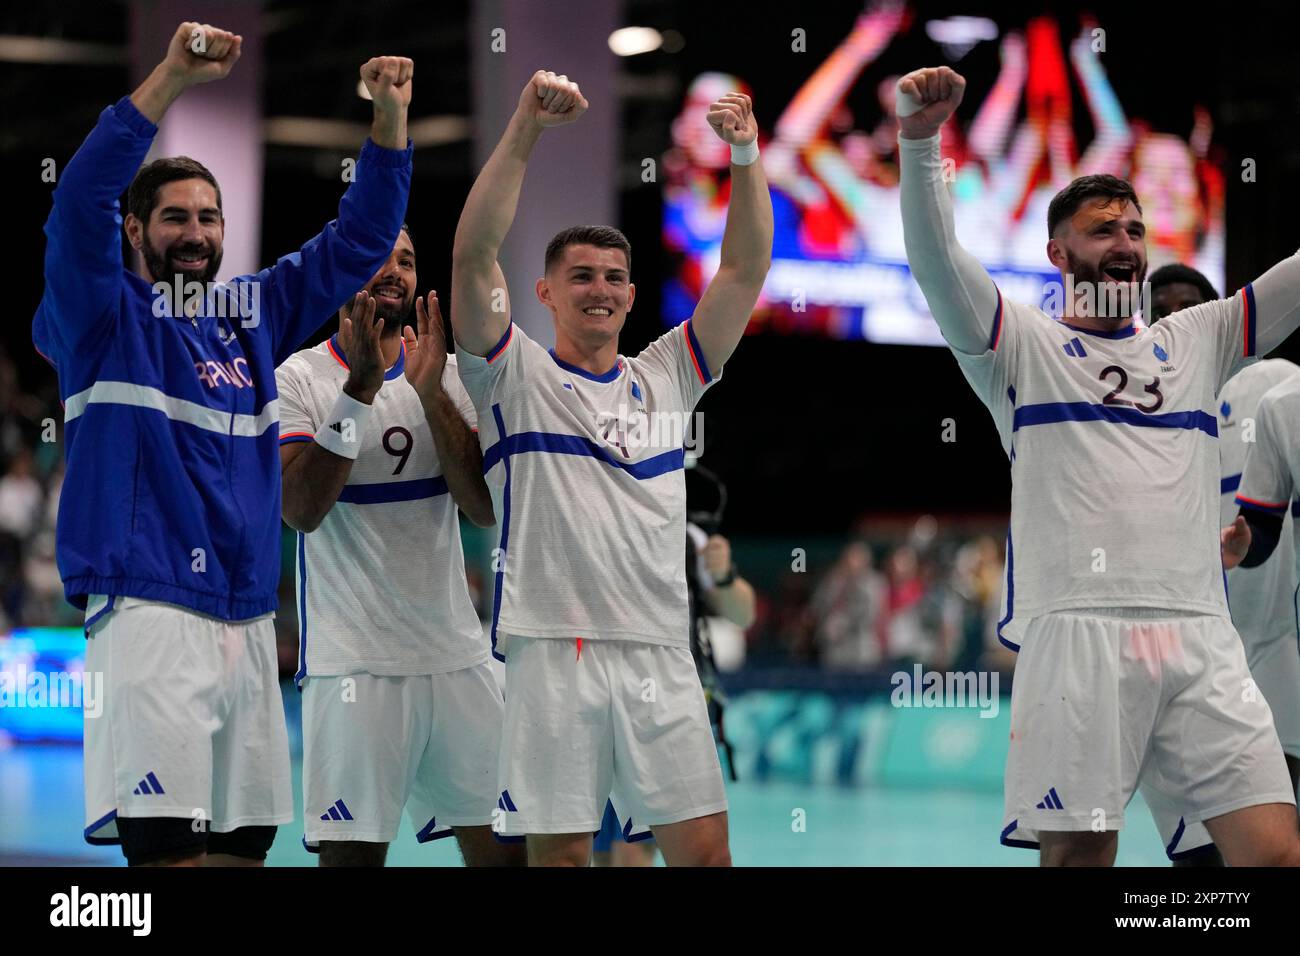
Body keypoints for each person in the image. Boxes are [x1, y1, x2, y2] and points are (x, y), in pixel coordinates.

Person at [897, 64, 1300, 866]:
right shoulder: (1020, 346)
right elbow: (937, 258)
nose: (1124, 246)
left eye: (1134, 231)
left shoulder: (1200, 338)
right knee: (1082, 858)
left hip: (1199, 632)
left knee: (1274, 854)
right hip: (1078, 634)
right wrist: (919, 142)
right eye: (1102, 230)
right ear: (1057, 251)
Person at [33, 21, 413, 866]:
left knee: (244, 850)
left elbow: (357, 244)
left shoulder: (250, 313)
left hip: (247, 620)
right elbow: (77, 200)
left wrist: (389, 122)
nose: (196, 232)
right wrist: (171, 78)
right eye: (174, 218)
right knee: (168, 856)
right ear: (135, 232)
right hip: (150, 614)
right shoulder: (101, 314)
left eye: (209, 216)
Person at [450, 69, 772, 866]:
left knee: (704, 854)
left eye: (615, 278)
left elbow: (740, 274)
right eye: (582, 277)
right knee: (561, 859)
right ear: (546, 293)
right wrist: (525, 123)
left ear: (632, 297)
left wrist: (746, 159)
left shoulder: (668, 374)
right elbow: (472, 253)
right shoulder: (512, 373)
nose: (601, 290)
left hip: (661, 651)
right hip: (551, 648)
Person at [277, 225, 524, 867]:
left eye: (407, 260)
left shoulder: (444, 373)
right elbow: (300, 510)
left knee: (509, 856)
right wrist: (359, 390)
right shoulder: (297, 379)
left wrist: (430, 390)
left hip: (458, 660)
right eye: (376, 257)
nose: (394, 270)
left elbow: (482, 506)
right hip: (353, 667)